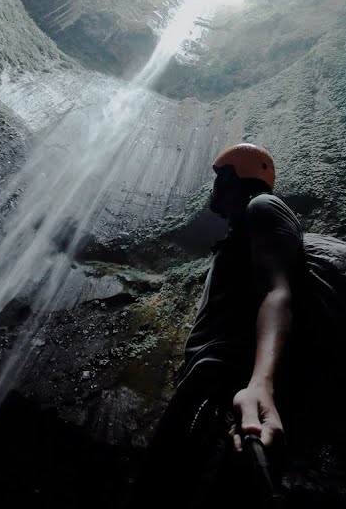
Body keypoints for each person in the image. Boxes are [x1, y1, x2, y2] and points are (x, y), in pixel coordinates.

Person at [131, 142, 303, 508]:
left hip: (226, 384)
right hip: (210, 380)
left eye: (218, 178)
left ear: (232, 176)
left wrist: (261, 384)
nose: (212, 188)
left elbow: (278, 292)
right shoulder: (242, 230)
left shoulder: (264, 206)